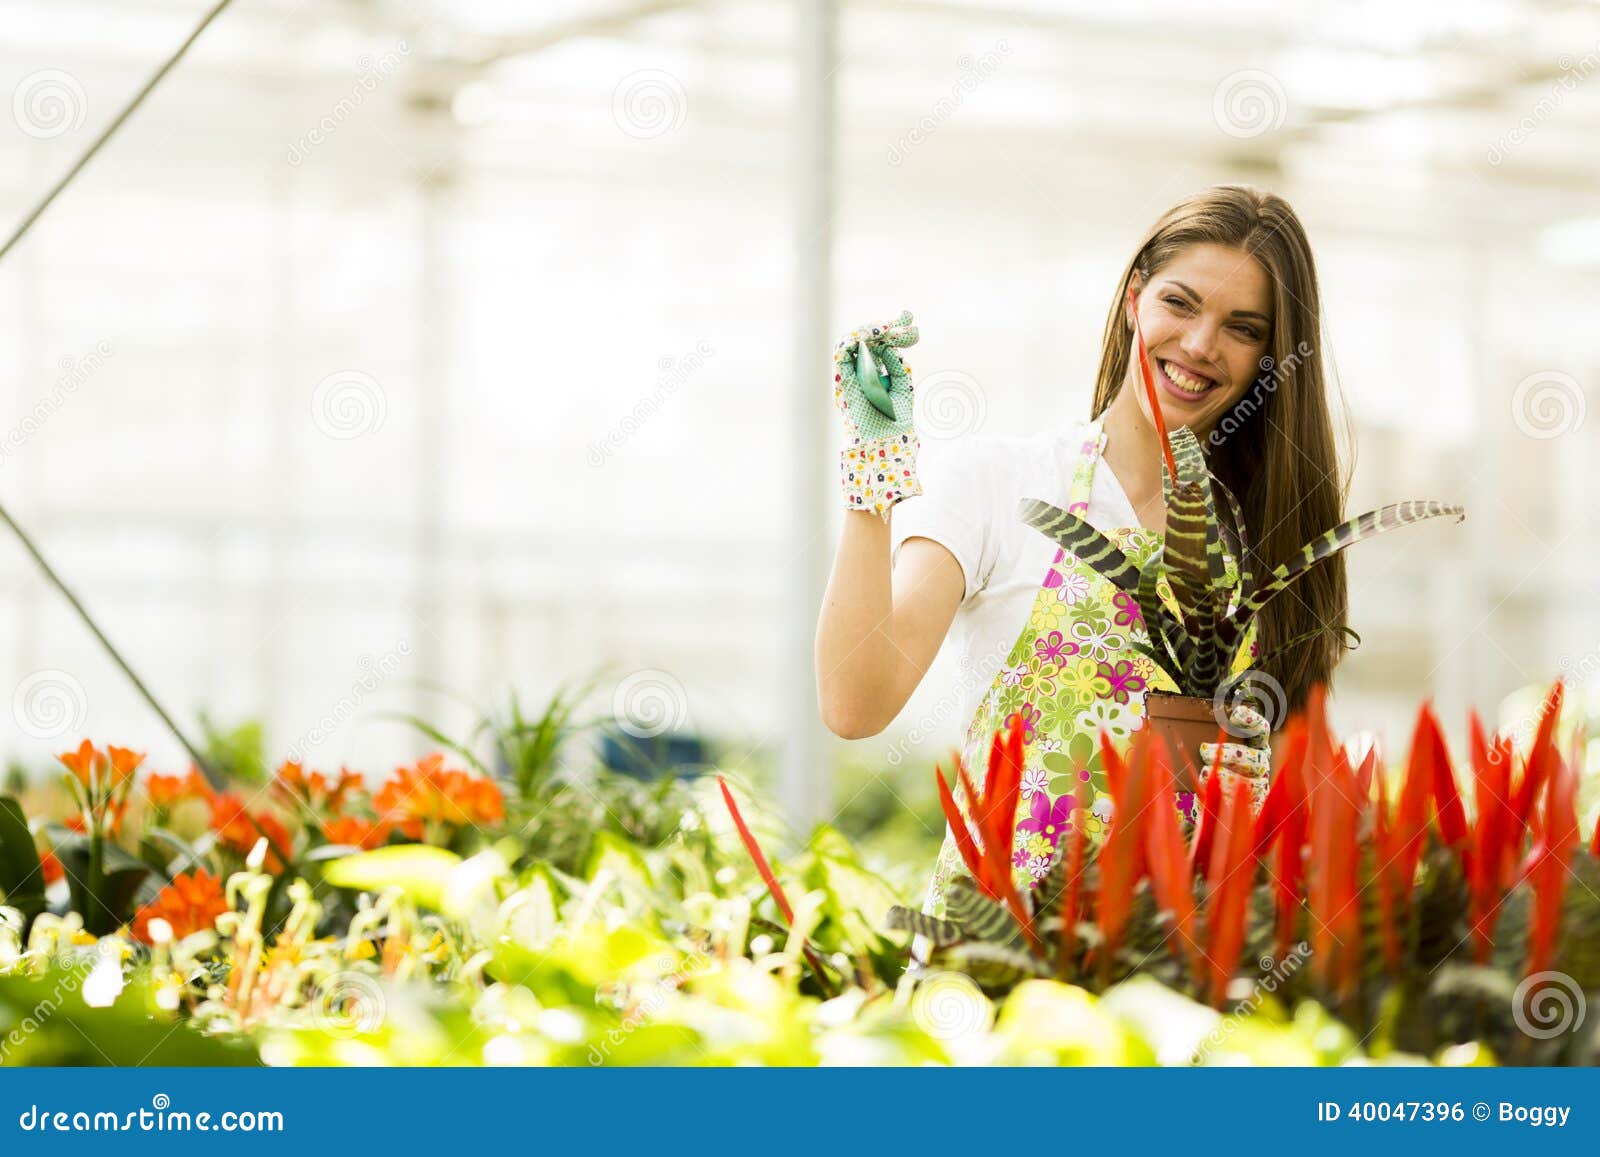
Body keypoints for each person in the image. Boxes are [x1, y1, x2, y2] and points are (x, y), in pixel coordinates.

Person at [814, 184, 1353, 919]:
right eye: (1182, 303)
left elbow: (1300, 803)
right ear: (1135, 298)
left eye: (1243, 327)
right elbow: (855, 702)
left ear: (1269, 358)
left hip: (1175, 988)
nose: (1200, 344)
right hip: (994, 968)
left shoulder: (1265, 543)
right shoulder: (1001, 481)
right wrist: (872, 474)